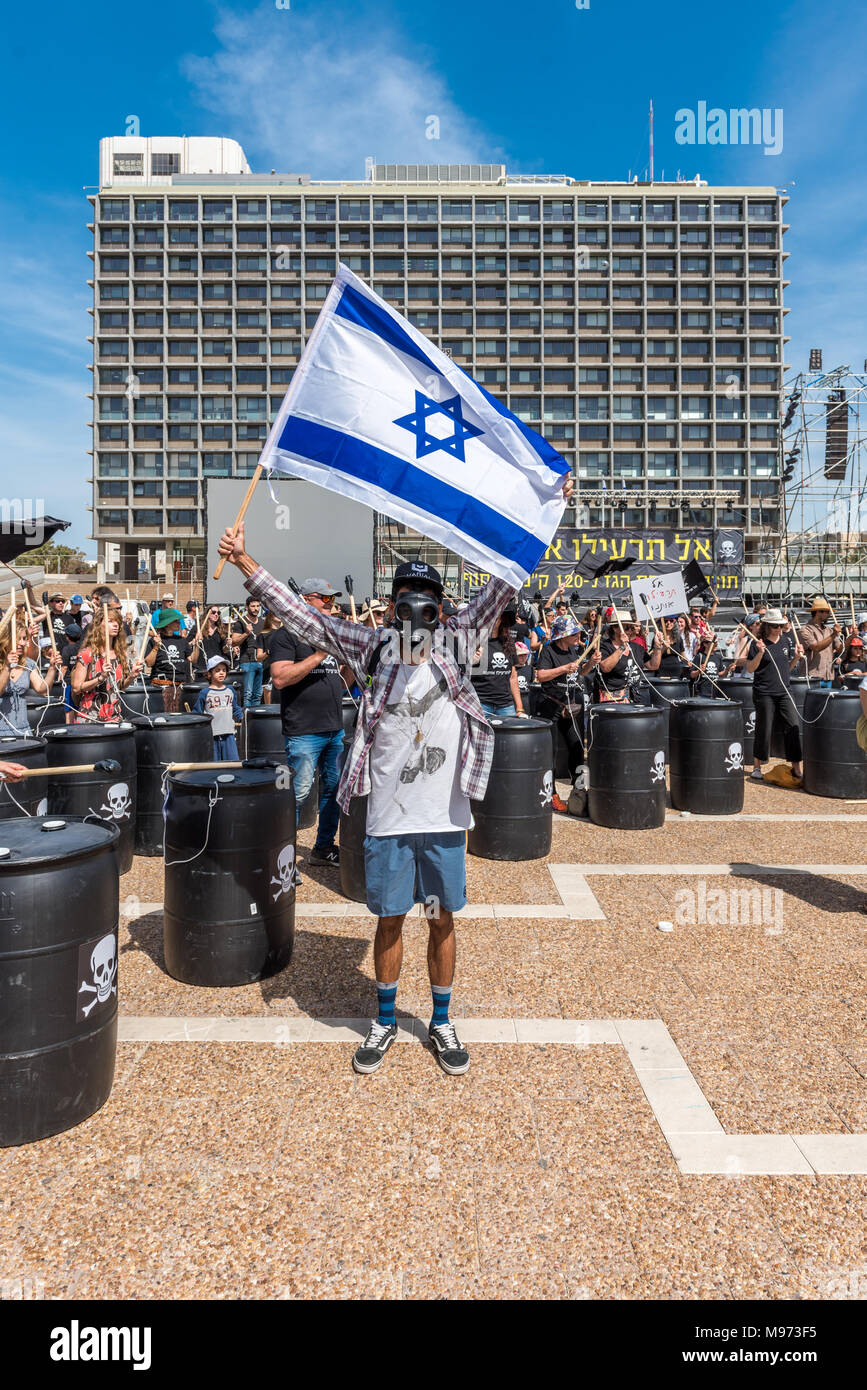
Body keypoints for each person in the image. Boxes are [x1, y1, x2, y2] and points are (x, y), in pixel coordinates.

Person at [217, 498, 565, 1078]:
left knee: (443, 917)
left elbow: (502, 586)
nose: (415, 610)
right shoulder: (373, 647)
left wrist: (544, 510)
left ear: (440, 610)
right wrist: (245, 561)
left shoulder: (457, 643)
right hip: (389, 816)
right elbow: (307, 620)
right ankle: (384, 1019)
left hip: (444, 815)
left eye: (425, 601)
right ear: (393, 604)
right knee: (389, 917)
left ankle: (442, 1018)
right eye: (405, 598)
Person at [267, 577, 348, 867]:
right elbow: (280, 678)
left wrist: (348, 667)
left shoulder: (329, 633)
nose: (331, 605)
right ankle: (284, 859)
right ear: (306, 599)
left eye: (332, 600)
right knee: (297, 794)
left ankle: (323, 848)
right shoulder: (286, 635)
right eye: (325, 599)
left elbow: (342, 680)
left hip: (334, 729)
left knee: (334, 790)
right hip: (304, 731)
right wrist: (318, 655)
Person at [536, 615, 601, 781]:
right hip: (550, 705)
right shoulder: (549, 651)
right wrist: (564, 668)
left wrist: (591, 663)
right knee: (551, 750)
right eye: (574, 634)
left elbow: (580, 673)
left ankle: (578, 788)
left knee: (577, 746)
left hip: (569, 706)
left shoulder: (573, 650)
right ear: (562, 636)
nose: (578, 636)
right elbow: (541, 675)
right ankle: (551, 793)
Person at [744, 607, 804, 781]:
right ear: (767, 626)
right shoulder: (758, 643)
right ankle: (757, 766)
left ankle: (796, 767)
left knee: (793, 726)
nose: (778, 629)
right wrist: (760, 653)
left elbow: (786, 668)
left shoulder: (786, 641)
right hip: (764, 692)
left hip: (785, 690)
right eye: (775, 626)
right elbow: (750, 668)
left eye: (780, 626)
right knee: (763, 728)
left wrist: (797, 658)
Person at [71, 605, 144, 722]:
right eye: (110, 621)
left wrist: (131, 676)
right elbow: (76, 688)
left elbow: (119, 688)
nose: (116, 625)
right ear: (99, 625)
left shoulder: (121, 655)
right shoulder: (87, 654)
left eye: (118, 622)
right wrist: (100, 678)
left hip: (114, 718)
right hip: (90, 719)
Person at [0, 616, 59, 734]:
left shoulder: (28, 664)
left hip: (23, 729)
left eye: (24, 639)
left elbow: (43, 691)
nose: (22, 643)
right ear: (6, 639)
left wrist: (52, 668)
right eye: (18, 639)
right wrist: (7, 666)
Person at [470, 604, 526, 718]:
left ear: (502, 620)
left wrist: (519, 708)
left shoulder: (508, 643)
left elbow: (513, 677)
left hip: (506, 706)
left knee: (508, 736)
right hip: (481, 703)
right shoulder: (474, 642)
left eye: (496, 616)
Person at [146, 608, 199, 714]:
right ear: (167, 623)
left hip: (180, 687)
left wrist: (197, 644)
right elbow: (148, 663)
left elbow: (192, 659)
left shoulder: (181, 640)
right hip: (161, 687)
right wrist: (156, 646)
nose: (179, 623)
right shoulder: (154, 640)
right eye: (176, 621)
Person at [193, 656, 243, 760]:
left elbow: (235, 708)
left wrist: (242, 717)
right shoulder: (204, 693)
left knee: (233, 765)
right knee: (214, 766)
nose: (221, 673)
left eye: (224, 670)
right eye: (217, 670)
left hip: (229, 734)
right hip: (212, 736)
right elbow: (197, 713)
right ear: (209, 674)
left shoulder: (230, 690)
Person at [798, 598, 842, 686]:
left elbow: (840, 649)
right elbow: (816, 648)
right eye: (827, 612)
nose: (829, 614)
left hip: (828, 676)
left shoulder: (829, 630)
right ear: (818, 612)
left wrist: (851, 637)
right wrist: (833, 635)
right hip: (812, 677)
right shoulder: (805, 630)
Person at [231, 597, 266, 707]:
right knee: (247, 694)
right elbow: (234, 642)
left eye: (258, 606)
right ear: (247, 607)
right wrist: (246, 633)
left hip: (261, 661)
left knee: (258, 694)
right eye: (253, 606)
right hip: (247, 661)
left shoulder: (263, 622)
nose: (256, 609)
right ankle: (246, 719)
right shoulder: (240, 623)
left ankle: (254, 719)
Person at [195, 604, 231, 670]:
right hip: (202, 665)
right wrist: (195, 640)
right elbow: (188, 644)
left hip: (217, 665)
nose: (216, 614)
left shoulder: (221, 630)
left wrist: (228, 645)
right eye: (213, 612)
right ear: (207, 614)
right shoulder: (198, 628)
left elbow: (224, 650)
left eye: (218, 613)